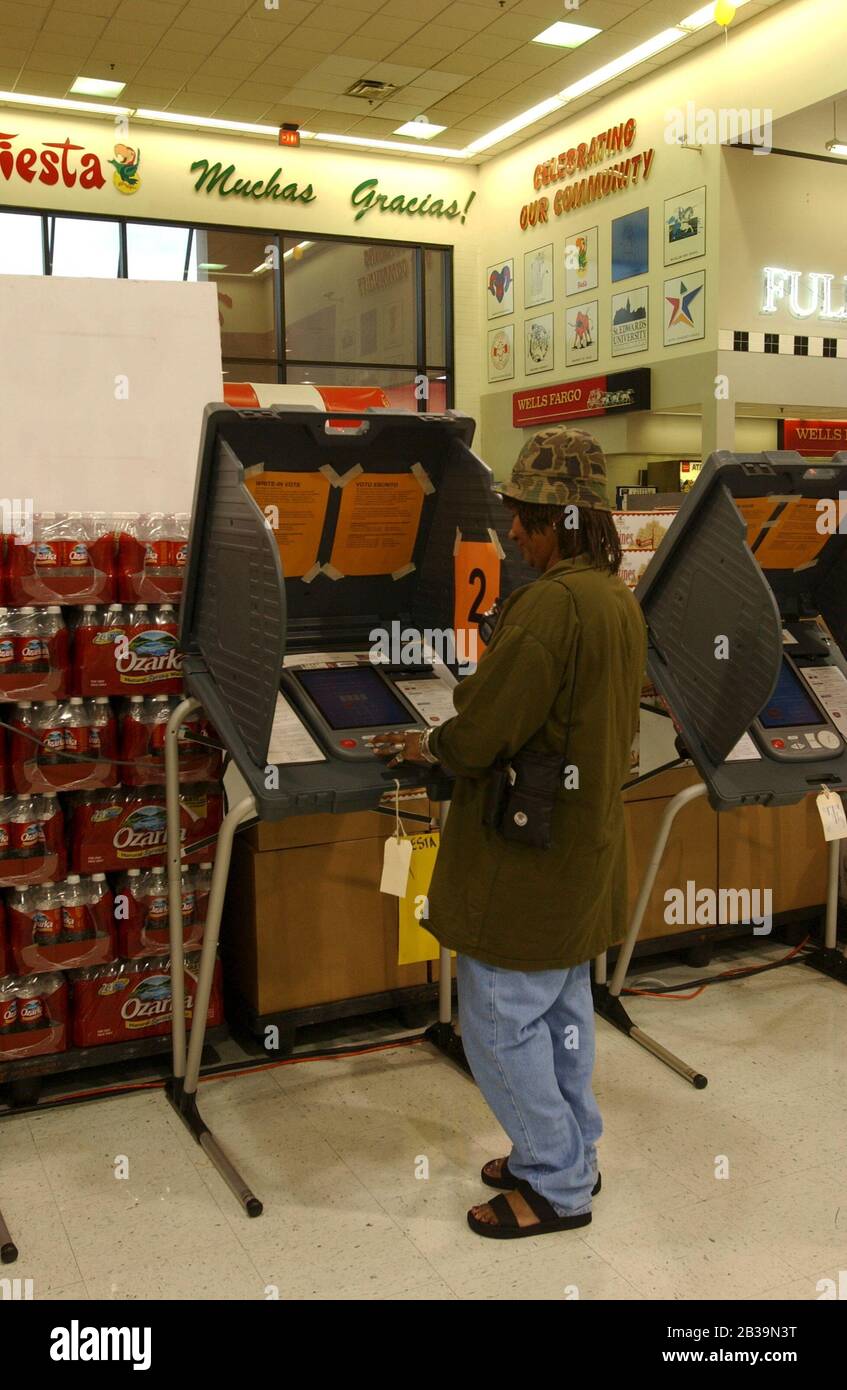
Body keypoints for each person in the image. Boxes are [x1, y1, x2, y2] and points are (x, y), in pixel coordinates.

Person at [372, 426, 646, 1239]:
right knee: (561, 1014)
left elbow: (486, 729)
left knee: (497, 1023)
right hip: (582, 847)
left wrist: (430, 743)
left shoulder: (549, 606)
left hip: (525, 859)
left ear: (558, 520)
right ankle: (567, 1151)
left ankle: (556, 1187)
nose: (513, 534)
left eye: (524, 518)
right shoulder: (613, 597)